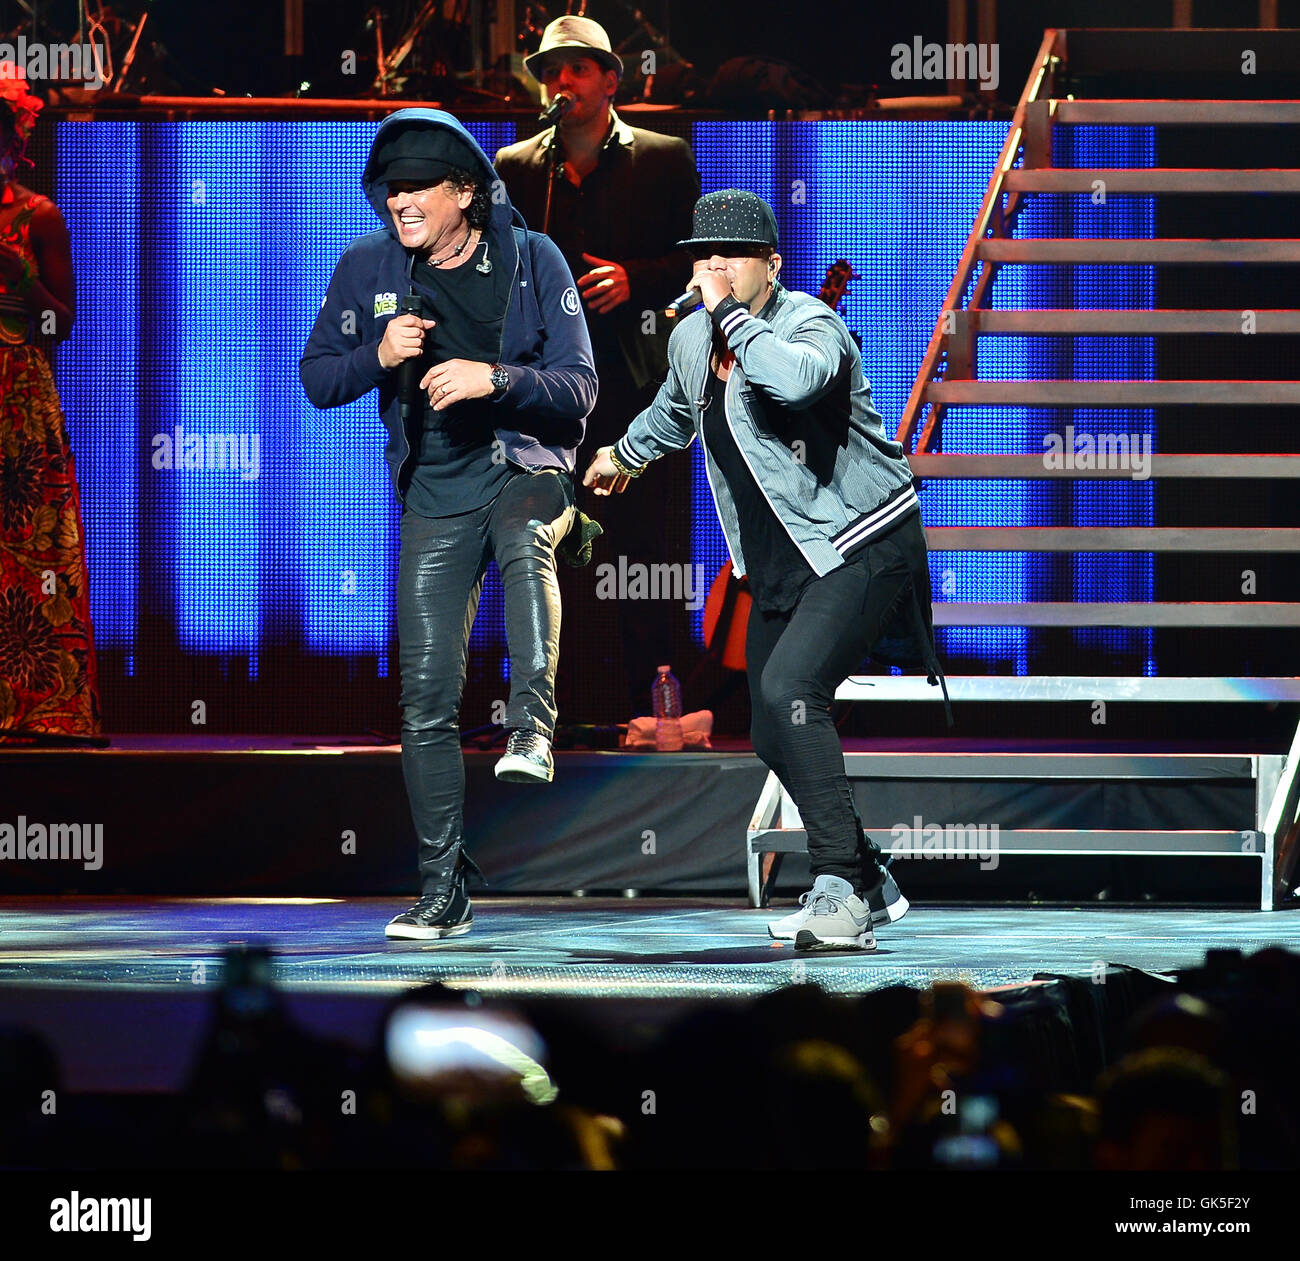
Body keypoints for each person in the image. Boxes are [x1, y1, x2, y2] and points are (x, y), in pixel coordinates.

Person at [584, 190, 950, 951]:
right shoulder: (691, 339)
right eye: (703, 256)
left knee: (791, 692)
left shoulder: (808, 321)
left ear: (771, 265)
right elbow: (673, 411)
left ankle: (839, 889)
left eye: (732, 256)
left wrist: (729, 317)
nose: (713, 268)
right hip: (781, 563)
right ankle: (871, 877)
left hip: (861, 541)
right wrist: (625, 453)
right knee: (769, 729)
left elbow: (793, 381)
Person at [300, 109, 597, 940]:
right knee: (424, 697)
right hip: (434, 492)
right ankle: (443, 888)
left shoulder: (533, 259)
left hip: (526, 466)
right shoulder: (368, 267)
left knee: (524, 539)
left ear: (465, 190)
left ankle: (532, 725)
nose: (401, 201)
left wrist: (491, 378)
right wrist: (380, 356)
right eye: (392, 187)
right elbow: (318, 378)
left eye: (419, 185)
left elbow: (578, 388)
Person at [495, 15, 700, 716]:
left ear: (611, 80)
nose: (560, 82)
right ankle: (560, 704)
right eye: (550, 71)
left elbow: (701, 261)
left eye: (576, 69)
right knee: (547, 546)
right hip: (549, 394)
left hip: (635, 385)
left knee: (639, 548)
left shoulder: (663, 156)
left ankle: (652, 704)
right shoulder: (517, 167)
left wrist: (633, 280)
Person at [0, 68, 100, 739]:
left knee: (27, 559)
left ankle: (39, 709)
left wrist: (22, 281)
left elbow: (61, 325)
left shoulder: (38, 215)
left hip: (15, 396)